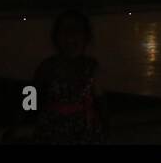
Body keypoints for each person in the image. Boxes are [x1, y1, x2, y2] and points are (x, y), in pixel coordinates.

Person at [32, 10, 107, 143]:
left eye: (76, 30)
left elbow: (100, 99)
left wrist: (105, 124)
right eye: (65, 30)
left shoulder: (91, 66)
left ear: (86, 36)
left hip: (84, 132)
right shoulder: (47, 66)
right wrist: (19, 121)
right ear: (56, 37)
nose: (70, 35)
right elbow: (30, 94)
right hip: (51, 131)